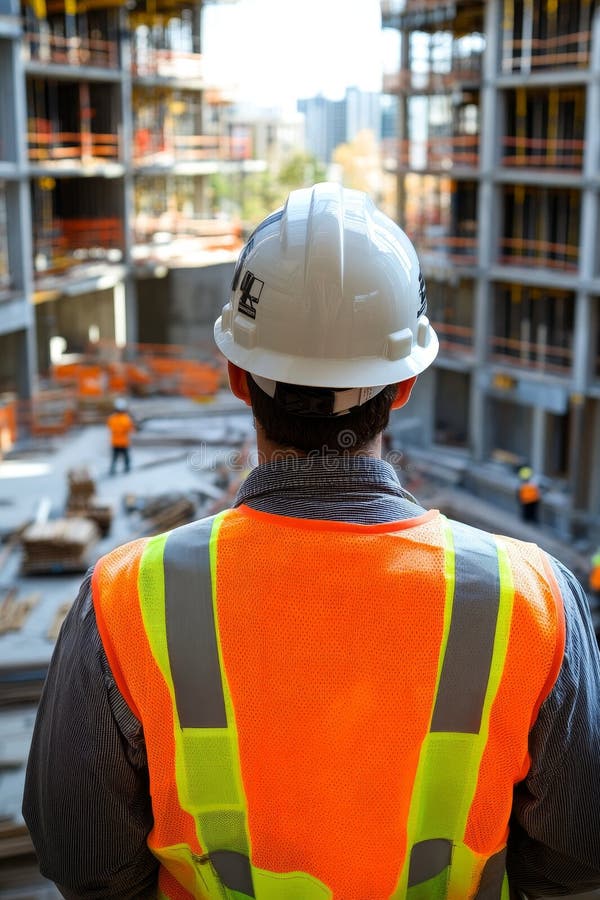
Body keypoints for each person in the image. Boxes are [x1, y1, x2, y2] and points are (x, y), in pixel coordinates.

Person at [22, 183, 600, 899]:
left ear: (237, 376)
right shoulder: (536, 601)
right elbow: (575, 857)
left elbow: (87, 861)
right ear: (405, 385)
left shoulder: (122, 601)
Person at [106, 397, 134, 475]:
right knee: (126, 456)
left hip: (114, 442)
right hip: (124, 442)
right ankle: (127, 468)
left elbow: (109, 426)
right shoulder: (126, 419)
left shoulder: (111, 418)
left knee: (114, 457)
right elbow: (131, 429)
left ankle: (112, 468)